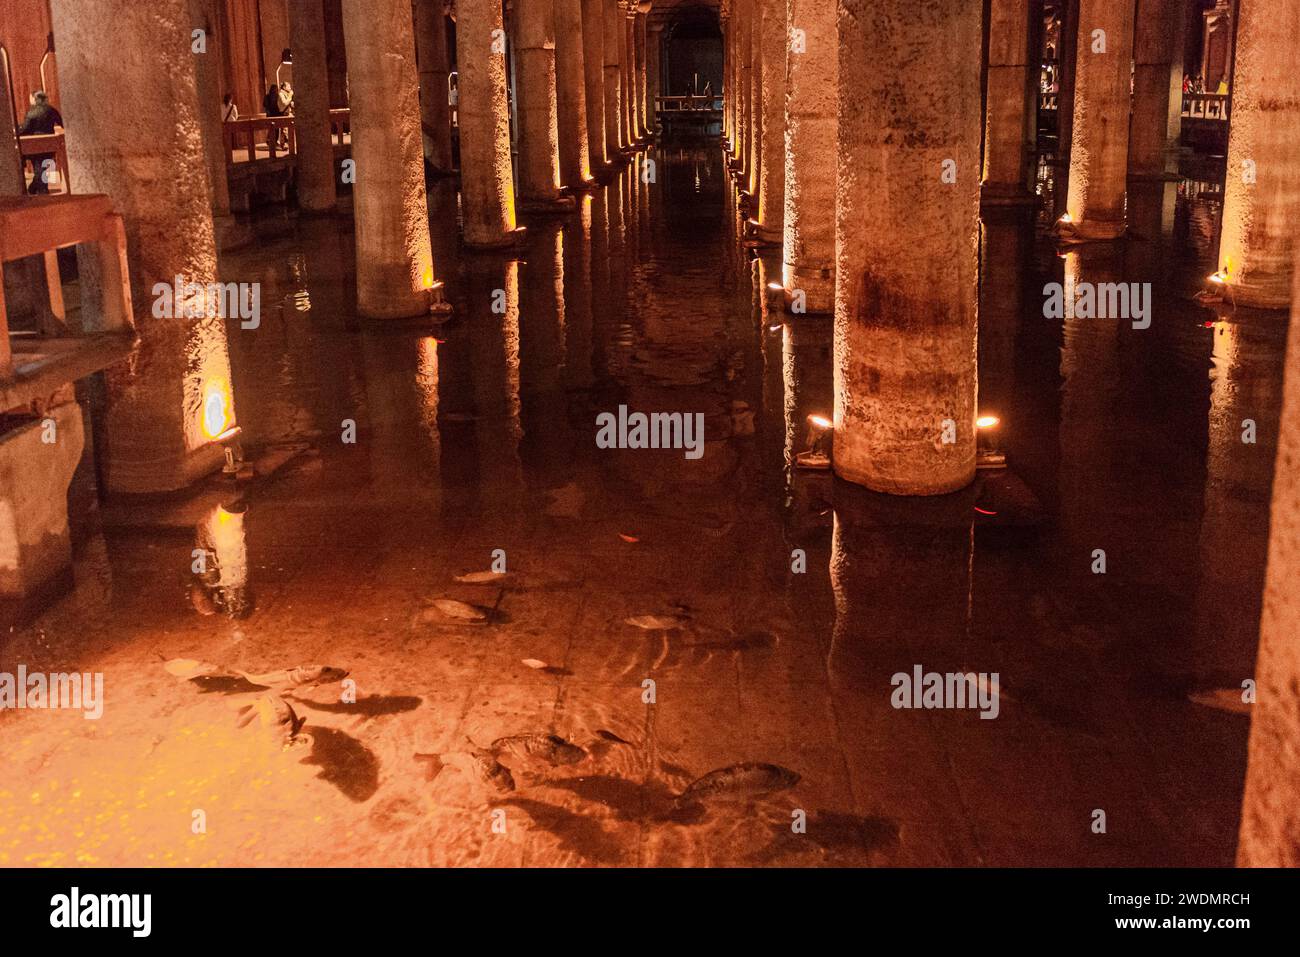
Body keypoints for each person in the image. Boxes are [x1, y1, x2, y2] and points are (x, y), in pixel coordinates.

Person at [18, 91, 63, 194]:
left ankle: (42, 190)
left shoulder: (31, 112)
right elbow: (62, 123)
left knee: (39, 166)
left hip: (35, 144)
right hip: (50, 143)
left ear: (34, 99)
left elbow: (25, 129)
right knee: (43, 166)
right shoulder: (52, 110)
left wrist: (17, 130)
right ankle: (34, 188)